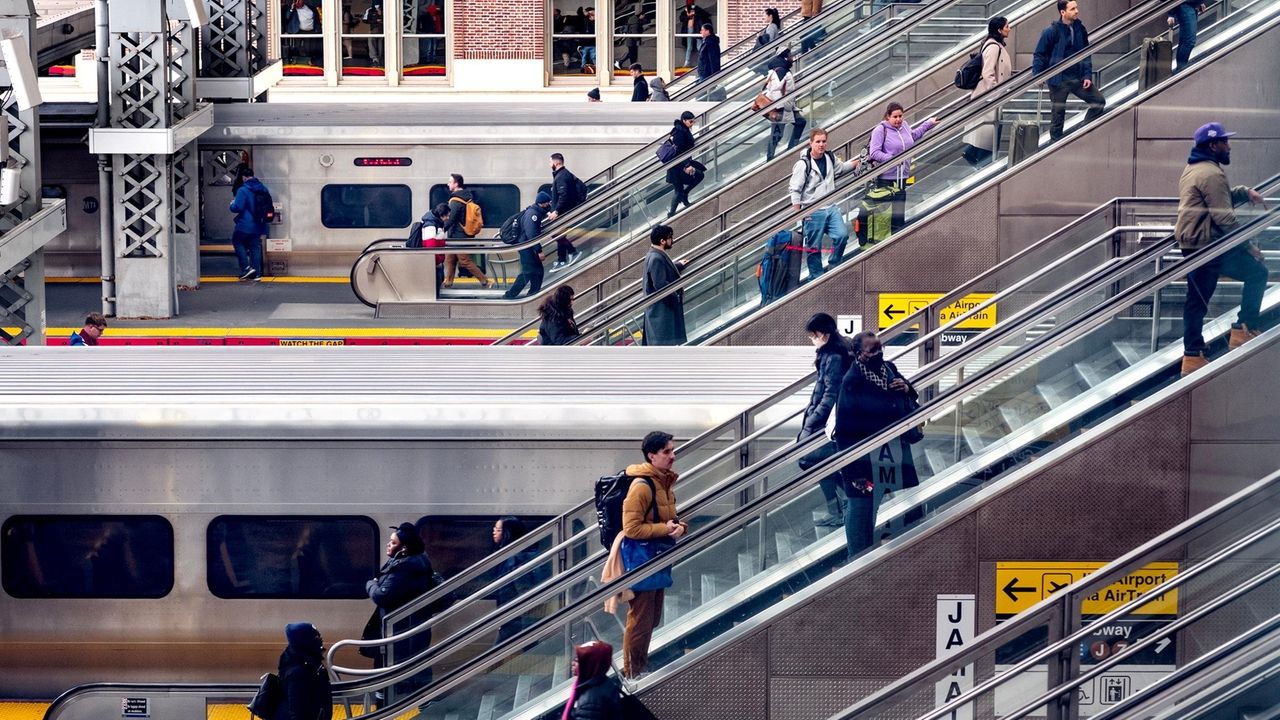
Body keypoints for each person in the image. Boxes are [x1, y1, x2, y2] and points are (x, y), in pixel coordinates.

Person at [1176, 122, 1269, 375]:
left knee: (1197, 300)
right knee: (1257, 272)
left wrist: (1243, 192)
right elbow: (1225, 219)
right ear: (1213, 145)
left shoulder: (1195, 168)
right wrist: (1249, 246)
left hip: (1197, 242)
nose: (1229, 146)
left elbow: (1218, 196)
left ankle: (1195, 354)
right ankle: (1240, 330)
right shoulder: (1210, 173)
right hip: (1207, 245)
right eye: (1225, 142)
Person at [831, 331, 920, 559]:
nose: (879, 353)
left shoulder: (888, 368)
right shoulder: (852, 383)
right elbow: (844, 431)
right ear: (859, 354)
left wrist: (907, 388)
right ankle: (858, 560)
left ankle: (909, 550)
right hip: (866, 463)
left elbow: (912, 395)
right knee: (861, 507)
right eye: (873, 350)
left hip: (895, 455)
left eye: (880, 348)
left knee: (908, 505)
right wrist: (854, 473)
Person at [620, 431, 688, 677]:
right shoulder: (642, 486)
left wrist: (681, 526)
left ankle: (640, 666)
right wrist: (664, 528)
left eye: (673, 450)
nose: (673, 455)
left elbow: (669, 517)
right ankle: (633, 671)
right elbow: (631, 528)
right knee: (640, 621)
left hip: (657, 558)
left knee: (651, 620)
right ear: (652, 456)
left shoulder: (663, 482)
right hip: (643, 561)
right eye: (667, 451)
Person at [366, 523, 436, 690]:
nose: (389, 545)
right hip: (409, 627)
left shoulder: (404, 567)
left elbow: (381, 596)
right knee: (417, 663)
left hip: (399, 630)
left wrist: (371, 584)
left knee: (388, 673)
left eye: (393, 543)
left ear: (404, 548)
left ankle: (387, 706)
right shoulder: (418, 560)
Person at [799, 313, 853, 527]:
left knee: (812, 461)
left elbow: (830, 394)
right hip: (829, 419)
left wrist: (812, 421)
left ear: (824, 334)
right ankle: (840, 507)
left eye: (814, 335)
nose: (812, 339)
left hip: (827, 422)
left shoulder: (834, 357)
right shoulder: (833, 352)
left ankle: (841, 507)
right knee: (819, 463)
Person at [788, 128, 860, 279]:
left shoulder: (829, 157)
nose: (821, 145)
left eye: (823, 141)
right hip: (813, 210)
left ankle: (834, 265)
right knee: (814, 247)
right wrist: (799, 215)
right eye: (818, 142)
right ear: (811, 143)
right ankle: (816, 277)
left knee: (842, 235)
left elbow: (841, 168)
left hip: (831, 207)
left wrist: (857, 162)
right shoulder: (803, 164)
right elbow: (795, 190)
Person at [1033, 0, 1106, 143]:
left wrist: (1086, 75)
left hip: (1077, 78)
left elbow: (1086, 53)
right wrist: (1038, 75)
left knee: (1099, 101)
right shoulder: (1051, 31)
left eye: (1076, 8)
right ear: (1062, 12)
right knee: (1057, 116)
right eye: (1072, 9)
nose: (1077, 11)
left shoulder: (1080, 29)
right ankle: (1055, 145)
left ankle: (1081, 134)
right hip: (1058, 80)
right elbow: (1039, 54)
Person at [869, 103, 938, 234]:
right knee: (889, 214)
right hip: (887, 178)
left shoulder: (904, 126)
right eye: (895, 116)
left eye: (900, 116)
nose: (898, 119)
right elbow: (874, 152)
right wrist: (892, 160)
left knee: (899, 215)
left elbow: (913, 136)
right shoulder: (880, 130)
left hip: (902, 176)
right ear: (888, 117)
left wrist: (928, 124)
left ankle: (896, 240)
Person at [961, 17, 1012, 167]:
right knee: (988, 137)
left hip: (990, 96)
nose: (1009, 28)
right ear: (999, 30)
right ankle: (980, 162)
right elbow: (988, 72)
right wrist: (996, 92)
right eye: (1007, 26)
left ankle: (973, 154)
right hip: (990, 98)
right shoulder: (993, 47)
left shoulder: (994, 45)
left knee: (987, 135)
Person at [491, 517, 549, 642]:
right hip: (514, 616)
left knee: (498, 652)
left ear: (508, 534)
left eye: (498, 529)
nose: (494, 531)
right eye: (494, 528)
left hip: (515, 616)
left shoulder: (514, 559)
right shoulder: (516, 555)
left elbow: (523, 589)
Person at [441, 173, 494, 288]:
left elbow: (451, 219)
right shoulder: (466, 197)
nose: (448, 184)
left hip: (458, 236)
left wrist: (441, 229)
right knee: (450, 259)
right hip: (458, 235)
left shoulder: (455, 200)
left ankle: (485, 281)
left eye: (450, 182)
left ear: (456, 184)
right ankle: (448, 283)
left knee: (464, 261)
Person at [642, 224, 689, 346]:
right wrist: (675, 298)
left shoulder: (654, 254)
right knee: (664, 350)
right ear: (662, 241)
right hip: (662, 314)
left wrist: (677, 265)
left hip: (660, 312)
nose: (672, 240)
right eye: (670, 238)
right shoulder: (656, 258)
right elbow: (660, 284)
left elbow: (662, 270)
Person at [277, 623, 332, 720]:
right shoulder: (297, 673)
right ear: (305, 641)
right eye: (316, 636)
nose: (320, 639)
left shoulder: (311, 662)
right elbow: (297, 712)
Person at [504, 192, 552, 299]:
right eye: (548, 203)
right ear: (542, 203)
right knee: (528, 272)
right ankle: (510, 295)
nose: (549, 205)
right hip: (526, 246)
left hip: (528, 246)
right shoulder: (533, 215)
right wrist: (539, 251)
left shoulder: (536, 211)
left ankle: (533, 293)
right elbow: (532, 234)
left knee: (538, 271)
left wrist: (548, 213)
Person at [764, 46, 806, 161]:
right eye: (790, 55)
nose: (792, 58)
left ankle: (791, 149)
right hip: (781, 108)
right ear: (785, 57)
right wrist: (783, 106)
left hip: (785, 106)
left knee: (800, 122)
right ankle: (770, 158)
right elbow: (776, 90)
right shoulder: (781, 71)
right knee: (776, 135)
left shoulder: (779, 69)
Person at [560, 641, 622, 719]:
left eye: (577, 661)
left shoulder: (590, 700)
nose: (572, 663)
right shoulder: (603, 683)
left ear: (589, 665)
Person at [228, 165, 270, 281]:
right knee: (254, 247)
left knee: (237, 242)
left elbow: (237, 207)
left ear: (244, 177)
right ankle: (256, 274)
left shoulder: (243, 190)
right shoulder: (263, 188)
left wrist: (232, 204)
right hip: (259, 224)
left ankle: (246, 269)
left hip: (245, 225)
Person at [664, 111, 706, 216]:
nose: (692, 124)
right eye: (690, 121)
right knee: (678, 190)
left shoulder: (682, 129)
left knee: (698, 176)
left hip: (680, 164)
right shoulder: (679, 132)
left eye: (693, 121)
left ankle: (684, 196)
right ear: (684, 120)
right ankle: (671, 214)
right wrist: (686, 166)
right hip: (678, 166)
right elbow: (678, 151)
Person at [549, 153, 586, 270]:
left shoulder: (561, 176)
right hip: (563, 212)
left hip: (563, 213)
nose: (549, 165)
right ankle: (562, 260)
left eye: (550, 162)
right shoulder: (564, 175)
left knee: (556, 234)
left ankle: (572, 252)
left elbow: (564, 196)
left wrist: (556, 211)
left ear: (556, 163)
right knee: (558, 235)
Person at [418, 203, 451, 289]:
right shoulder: (431, 225)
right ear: (441, 215)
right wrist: (436, 262)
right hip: (435, 262)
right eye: (447, 215)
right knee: (435, 288)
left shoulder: (437, 223)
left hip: (438, 261)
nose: (448, 218)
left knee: (438, 285)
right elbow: (430, 246)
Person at [1168, 1, 1205, 72]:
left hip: (1191, 5)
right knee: (1189, 41)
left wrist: (1199, 2)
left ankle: (1179, 69)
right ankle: (1181, 70)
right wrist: (1171, 14)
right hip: (1185, 6)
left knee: (1184, 41)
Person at [580, 7, 598, 72]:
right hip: (585, 43)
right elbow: (580, 13)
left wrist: (595, 16)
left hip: (593, 43)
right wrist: (586, 14)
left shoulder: (596, 22)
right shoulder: (584, 21)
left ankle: (596, 68)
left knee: (594, 56)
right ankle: (583, 68)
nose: (590, 15)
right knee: (584, 57)